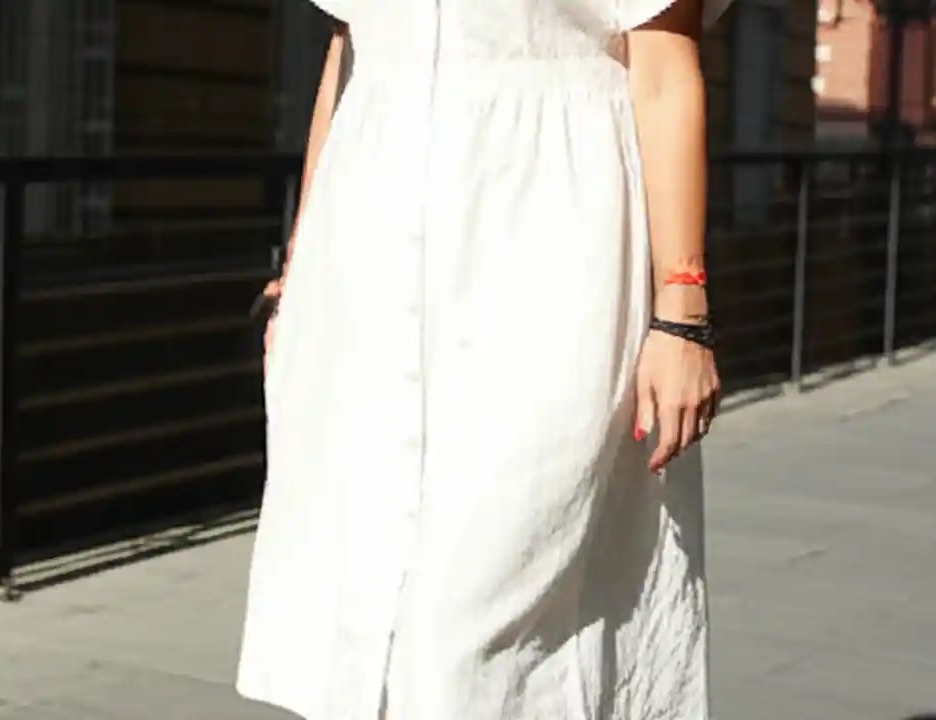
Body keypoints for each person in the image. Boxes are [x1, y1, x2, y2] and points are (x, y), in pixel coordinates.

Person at [237, 0, 731, 717]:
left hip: (550, 247)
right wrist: (299, 270)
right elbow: (348, 55)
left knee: (471, 620)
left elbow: (663, 72)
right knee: (370, 610)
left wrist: (681, 312)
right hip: (369, 261)